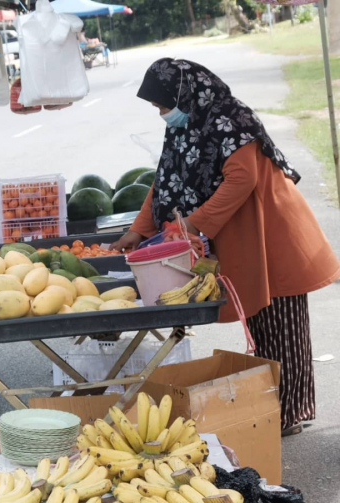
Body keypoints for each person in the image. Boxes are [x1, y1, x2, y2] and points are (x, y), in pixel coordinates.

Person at [112, 57, 340, 437]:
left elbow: (242, 179)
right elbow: (165, 181)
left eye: (163, 105)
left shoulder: (233, 121)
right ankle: (272, 409)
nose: (163, 114)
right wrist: (139, 229)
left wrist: (191, 223)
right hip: (240, 234)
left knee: (282, 325)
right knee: (261, 325)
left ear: (185, 94)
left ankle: (288, 413)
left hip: (271, 231)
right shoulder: (188, 126)